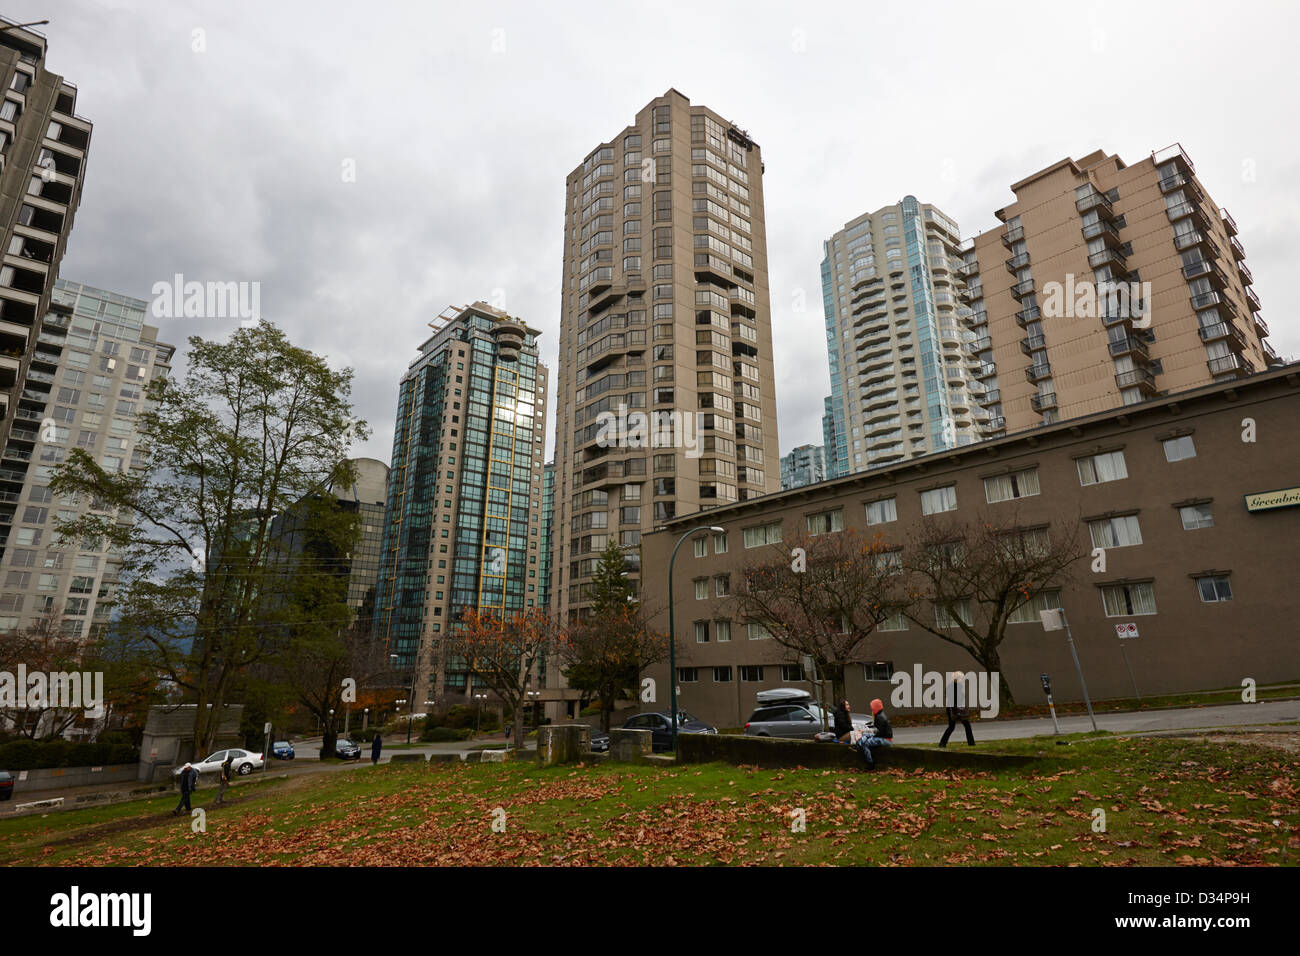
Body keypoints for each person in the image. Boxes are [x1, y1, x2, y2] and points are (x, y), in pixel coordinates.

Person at [853, 699, 893, 768]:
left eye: (872, 707)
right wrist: (873, 733)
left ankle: (870, 764)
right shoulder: (880, 715)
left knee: (866, 744)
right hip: (884, 737)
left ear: (875, 707)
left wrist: (873, 736)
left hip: (886, 739)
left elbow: (881, 732)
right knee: (866, 735)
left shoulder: (879, 717)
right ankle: (858, 745)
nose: (871, 709)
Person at [939, 670, 975, 747]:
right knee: (953, 727)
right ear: (956, 679)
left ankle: (942, 743)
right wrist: (956, 711)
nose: (962, 680)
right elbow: (952, 699)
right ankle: (942, 743)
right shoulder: (952, 687)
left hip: (957, 708)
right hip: (953, 709)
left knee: (960, 726)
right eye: (961, 678)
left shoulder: (957, 686)